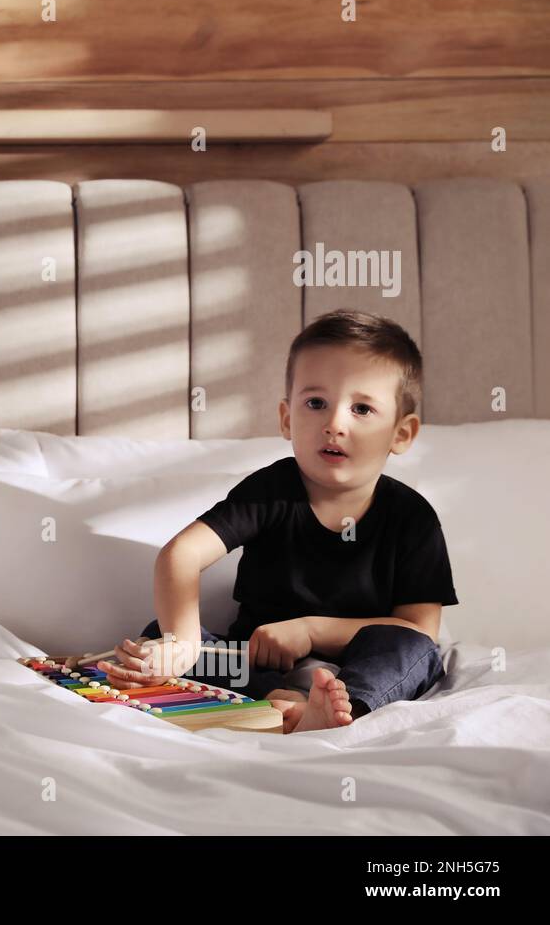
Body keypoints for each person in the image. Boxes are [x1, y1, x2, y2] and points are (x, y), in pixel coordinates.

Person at [101, 309, 457, 733]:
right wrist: (180, 642)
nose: (334, 423)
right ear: (287, 418)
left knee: (414, 649)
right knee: (161, 632)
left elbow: (419, 627)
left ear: (402, 433)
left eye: (361, 408)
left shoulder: (412, 517)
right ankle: (278, 702)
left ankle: (340, 711)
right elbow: (181, 554)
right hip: (255, 665)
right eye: (316, 403)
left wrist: (310, 631)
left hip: (355, 669)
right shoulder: (270, 492)